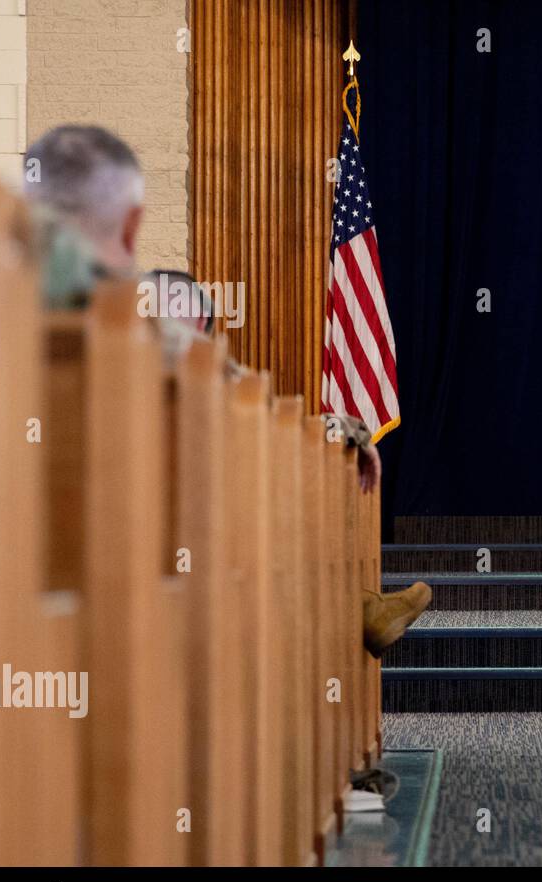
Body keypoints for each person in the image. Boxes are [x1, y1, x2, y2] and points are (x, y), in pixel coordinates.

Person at [25, 124, 429, 659]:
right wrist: (347, 428)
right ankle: (349, 607)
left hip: (20, 556)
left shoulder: (9, 286)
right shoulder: (121, 308)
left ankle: (352, 605)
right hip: (128, 558)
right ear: (132, 224)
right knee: (241, 491)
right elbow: (230, 392)